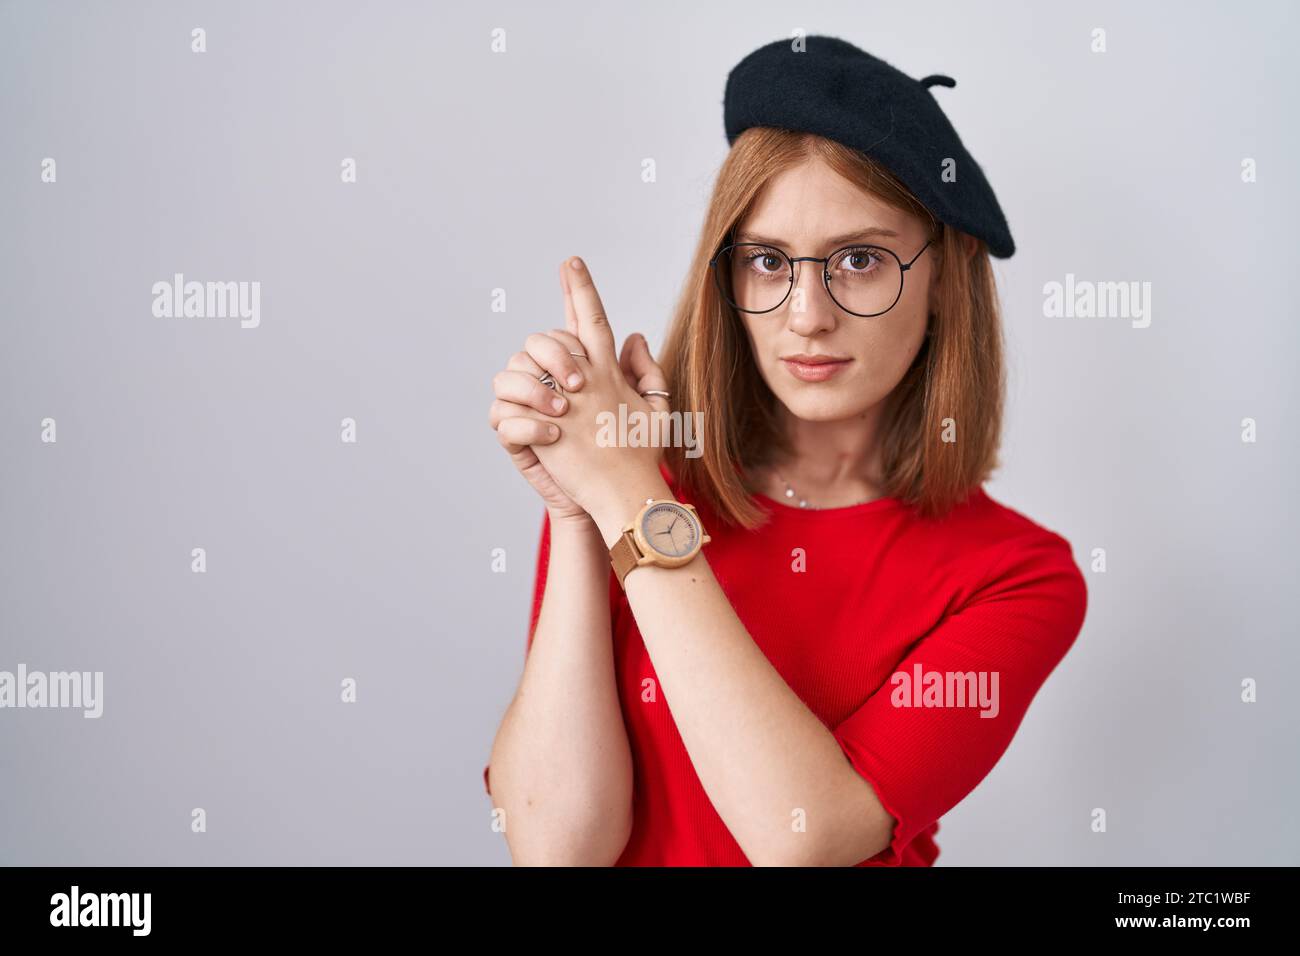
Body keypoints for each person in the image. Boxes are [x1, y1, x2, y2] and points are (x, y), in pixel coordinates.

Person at [483, 35, 1087, 866]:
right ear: (726, 278)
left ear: (944, 277)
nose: (807, 314)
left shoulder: (1017, 574)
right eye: (769, 261)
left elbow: (805, 839)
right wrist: (579, 509)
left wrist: (631, 501)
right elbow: (558, 845)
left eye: (861, 260)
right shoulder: (626, 476)